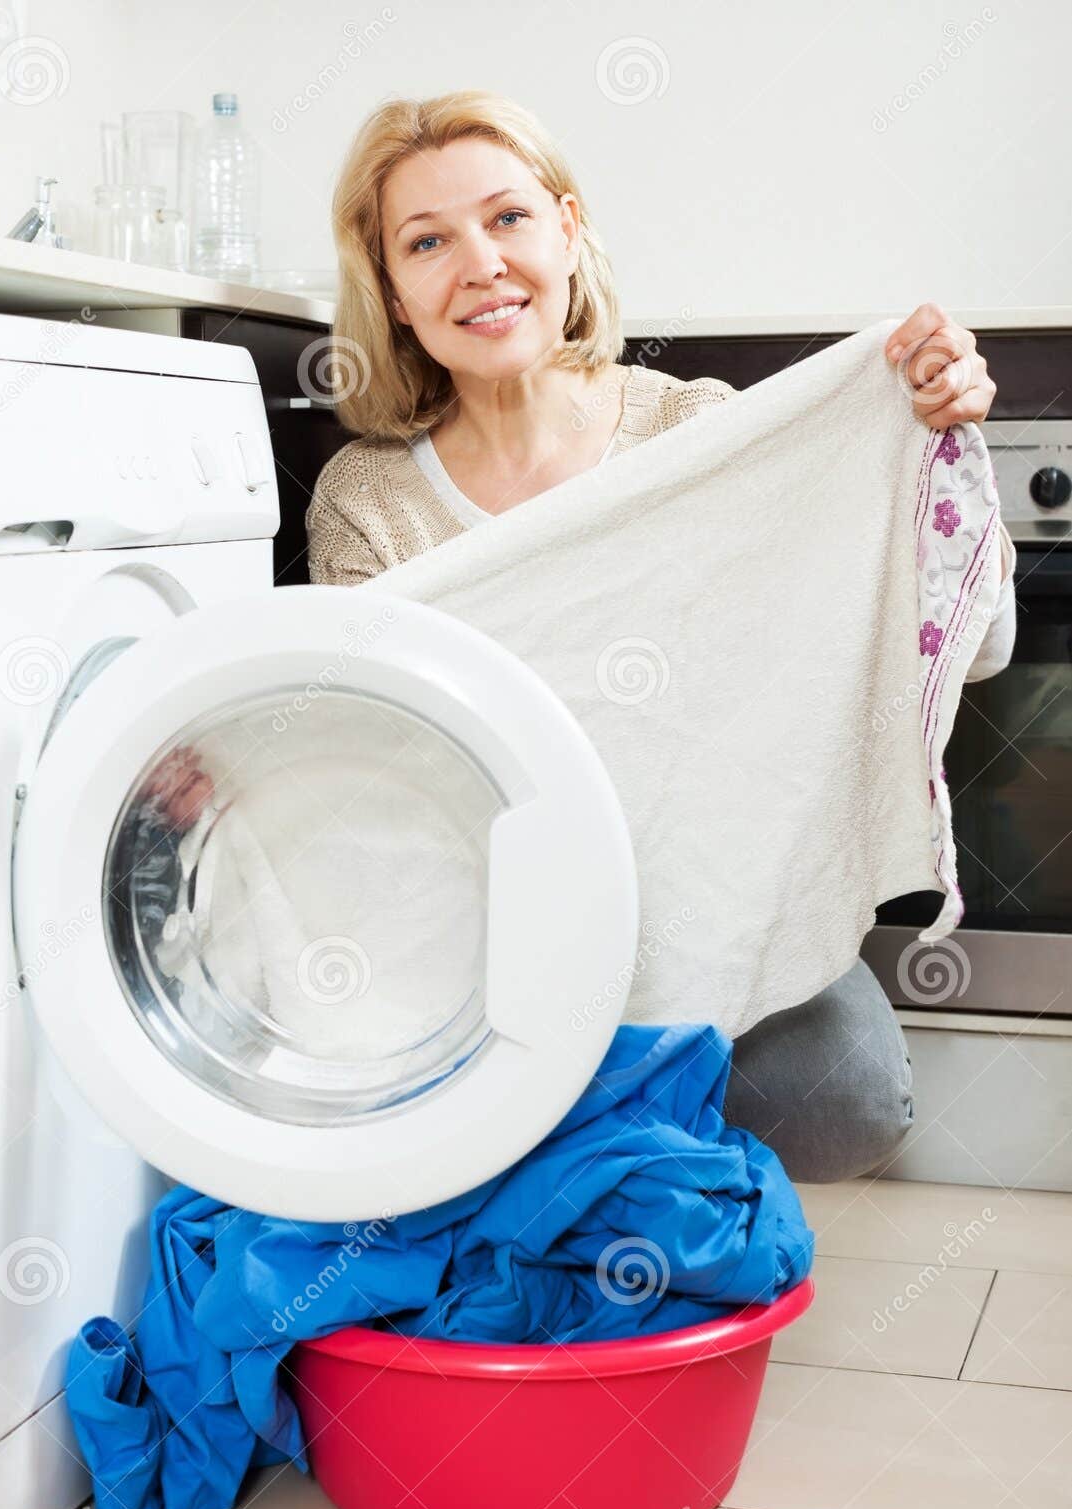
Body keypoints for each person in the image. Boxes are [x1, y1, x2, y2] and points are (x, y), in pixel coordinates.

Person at [300, 90, 1017, 1183]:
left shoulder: (695, 434)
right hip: (492, 931)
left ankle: (624, 1170)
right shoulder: (369, 500)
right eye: (428, 241)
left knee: (846, 1102)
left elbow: (984, 646)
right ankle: (604, 1192)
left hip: (713, 900)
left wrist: (934, 445)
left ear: (568, 231)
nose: (479, 264)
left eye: (508, 220)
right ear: (394, 293)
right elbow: (369, 762)